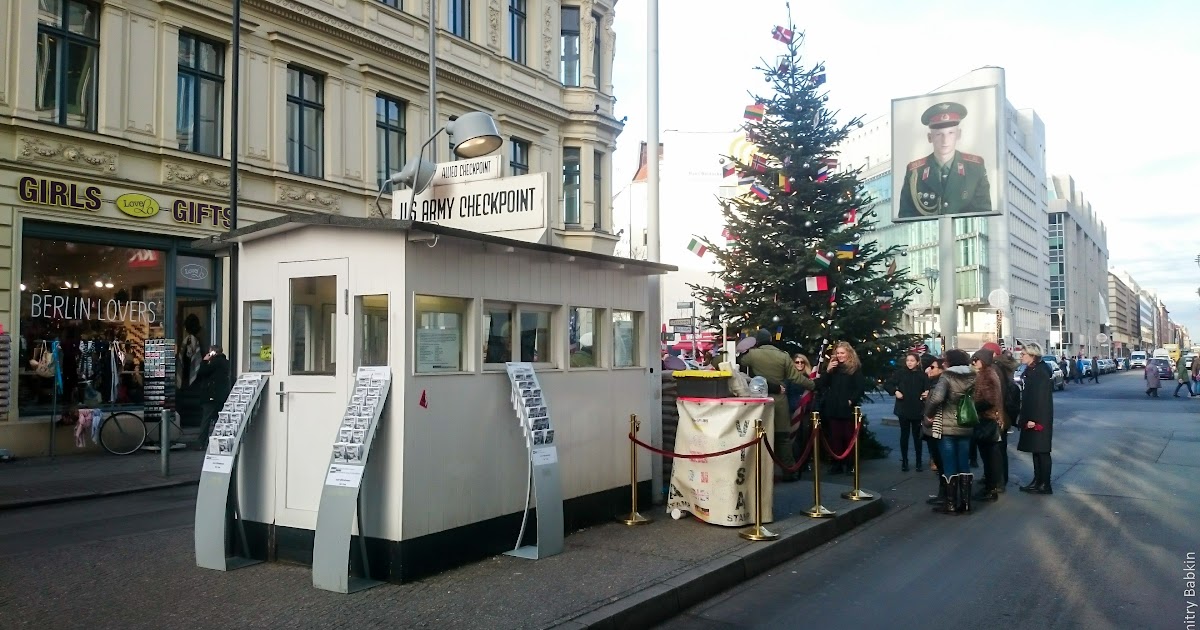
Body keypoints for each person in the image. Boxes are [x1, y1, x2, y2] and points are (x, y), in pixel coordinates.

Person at [740, 330, 815, 481]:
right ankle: (789, 471)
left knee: (760, 436)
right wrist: (812, 385)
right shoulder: (783, 356)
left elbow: (738, 366)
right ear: (770, 339)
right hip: (780, 401)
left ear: (757, 341)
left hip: (760, 399)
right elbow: (796, 378)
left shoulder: (752, 355)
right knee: (783, 437)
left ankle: (762, 472)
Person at [897, 101, 992, 219]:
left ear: (958, 134)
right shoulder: (915, 172)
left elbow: (984, 214)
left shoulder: (974, 168)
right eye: (939, 134)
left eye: (950, 133)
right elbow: (906, 216)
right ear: (930, 137)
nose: (945, 140)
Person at [923, 349, 979, 514]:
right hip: (966, 423)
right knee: (964, 463)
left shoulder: (947, 376)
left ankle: (951, 504)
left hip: (947, 425)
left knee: (949, 463)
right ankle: (966, 504)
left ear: (951, 361)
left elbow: (937, 398)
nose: (944, 362)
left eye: (945, 359)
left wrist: (929, 414)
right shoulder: (973, 375)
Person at [817, 342, 866, 476]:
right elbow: (820, 385)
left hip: (847, 408)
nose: (840, 355)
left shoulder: (854, 368)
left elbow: (859, 388)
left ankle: (850, 464)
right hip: (833, 407)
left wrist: (851, 401)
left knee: (848, 436)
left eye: (842, 353)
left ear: (848, 353)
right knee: (835, 437)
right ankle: (836, 464)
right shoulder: (833, 368)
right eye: (838, 353)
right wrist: (827, 371)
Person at [969, 348, 1007, 502]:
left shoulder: (988, 375)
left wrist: (972, 407)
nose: (974, 362)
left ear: (983, 361)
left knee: (990, 456)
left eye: (976, 360)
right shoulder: (985, 373)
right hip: (986, 419)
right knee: (988, 456)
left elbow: (989, 400)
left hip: (988, 419)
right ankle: (990, 487)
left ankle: (991, 489)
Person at [1017, 343, 1055, 494]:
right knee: (1036, 450)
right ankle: (1037, 481)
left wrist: (1034, 419)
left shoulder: (1040, 372)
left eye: (1023, 354)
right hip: (1033, 416)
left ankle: (1044, 483)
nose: (1021, 357)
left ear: (1032, 355)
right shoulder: (1032, 370)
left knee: (1042, 451)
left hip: (1039, 418)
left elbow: (1040, 398)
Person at [885, 352, 928, 472]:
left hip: (917, 408)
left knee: (917, 436)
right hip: (903, 408)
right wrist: (895, 391)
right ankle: (904, 461)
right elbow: (888, 384)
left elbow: (927, 388)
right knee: (904, 435)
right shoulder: (900, 373)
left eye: (912, 360)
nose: (909, 363)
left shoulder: (922, 375)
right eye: (908, 360)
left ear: (917, 362)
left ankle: (919, 462)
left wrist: (926, 393)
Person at [920, 355, 947, 505]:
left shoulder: (940, 383)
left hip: (937, 427)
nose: (928, 370)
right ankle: (945, 493)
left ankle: (946, 494)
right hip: (935, 428)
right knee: (940, 460)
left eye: (932, 367)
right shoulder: (934, 383)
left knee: (941, 461)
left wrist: (928, 414)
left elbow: (937, 401)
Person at [192, 345, 231, 450]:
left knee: (206, 419)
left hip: (211, 395)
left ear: (213, 352)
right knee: (220, 419)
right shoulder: (225, 362)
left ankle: (201, 442)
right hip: (221, 395)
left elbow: (202, 372)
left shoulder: (214, 363)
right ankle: (220, 441)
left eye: (210, 352)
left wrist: (205, 361)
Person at [787, 353, 818, 473]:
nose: (799, 364)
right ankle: (795, 462)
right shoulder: (790, 378)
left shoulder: (810, 378)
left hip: (806, 412)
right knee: (794, 439)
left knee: (805, 438)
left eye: (802, 362)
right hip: (793, 411)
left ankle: (805, 462)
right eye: (797, 362)